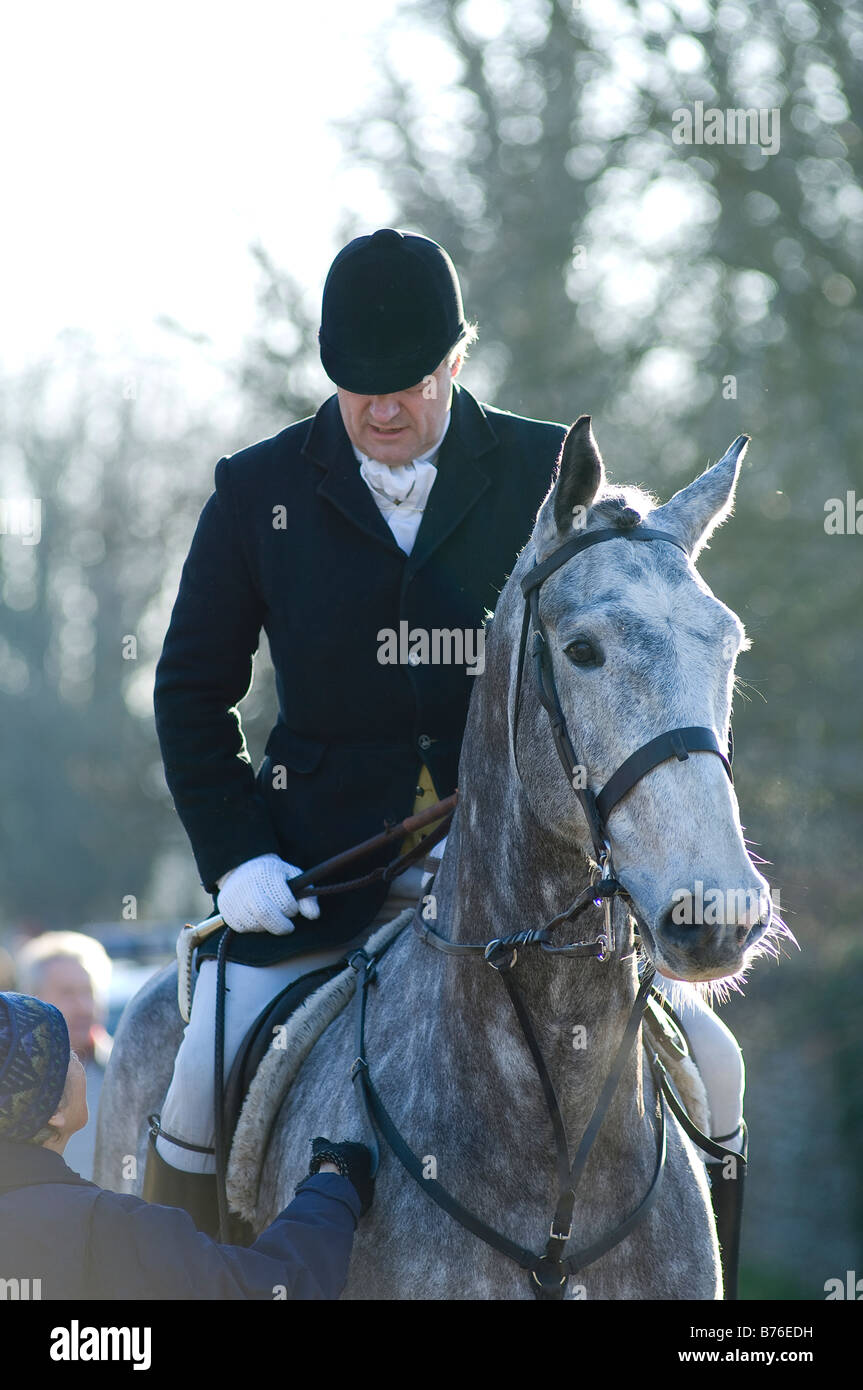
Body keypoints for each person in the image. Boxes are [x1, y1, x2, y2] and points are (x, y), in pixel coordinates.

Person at [150, 226, 747, 1294]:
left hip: (540, 882)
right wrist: (236, 856)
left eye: (410, 385)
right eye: (356, 387)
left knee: (715, 1069)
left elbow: (633, 660)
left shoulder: (541, 476)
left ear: (456, 363)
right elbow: (191, 693)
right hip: (322, 877)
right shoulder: (256, 491)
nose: (383, 410)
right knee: (197, 1067)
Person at [0, 991, 372, 1299]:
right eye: (66, 1057)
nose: (79, 1062)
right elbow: (277, 1288)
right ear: (53, 1113)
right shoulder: (113, 1228)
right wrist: (331, 1186)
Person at [16, 931, 113, 1179]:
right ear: (33, 1000)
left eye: (88, 991)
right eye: (67, 993)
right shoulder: (12, 1083)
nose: (84, 1006)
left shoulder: (127, 1073)